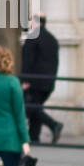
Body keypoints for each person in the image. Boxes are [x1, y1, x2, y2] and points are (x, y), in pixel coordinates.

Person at [21, 13, 62, 144]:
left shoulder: (33, 37)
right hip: (48, 82)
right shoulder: (52, 39)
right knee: (36, 107)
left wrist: (25, 80)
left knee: (32, 107)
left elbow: (28, 61)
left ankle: (54, 124)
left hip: (34, 82)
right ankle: (33, 137)